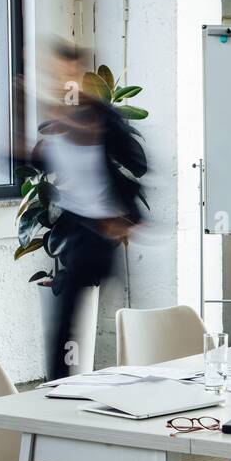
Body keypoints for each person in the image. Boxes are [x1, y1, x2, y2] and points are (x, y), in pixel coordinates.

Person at [30, 40, 147, 381]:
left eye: (65, 72)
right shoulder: (56, 119)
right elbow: (39, 162)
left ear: (78, 75)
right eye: (53, 72)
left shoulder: (100, 116)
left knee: (68, 323)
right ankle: (61, 391)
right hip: (78, 229)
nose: (58, 80)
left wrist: (127, 218)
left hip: (100, 232)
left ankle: (62, 391)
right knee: (65, 325)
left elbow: (137, 163)